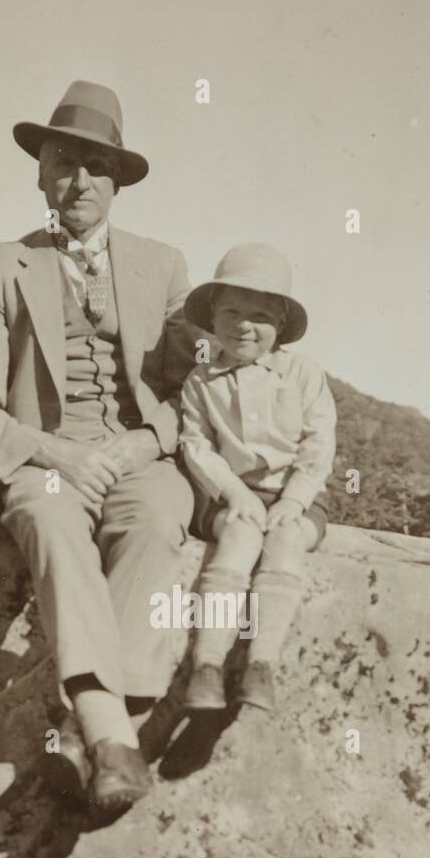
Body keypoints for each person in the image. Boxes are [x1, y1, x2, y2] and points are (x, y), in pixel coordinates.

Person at [0, 81, 197, 811]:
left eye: (96, 166)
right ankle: (110, 733)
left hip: (139, 456)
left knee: (154, 522)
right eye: (63, 162)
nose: (79, 181)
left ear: (118, 182)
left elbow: (194, 393)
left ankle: (79, 728)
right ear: (40, 173)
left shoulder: (165, 267)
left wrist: (147, 442)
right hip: (45, 457)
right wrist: (59, 457)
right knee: (52, 518)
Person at [180, 244, 337, 712]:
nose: (243, 325)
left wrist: (294, 500)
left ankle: (261, 664)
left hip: (294, 495)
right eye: (230, 311)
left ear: (282, 323)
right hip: (230, 495)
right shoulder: (201, 381)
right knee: (239, 537)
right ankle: (207, 664)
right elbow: (197, 446)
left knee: (286, 541)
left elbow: (318, 442)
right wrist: (230, 491)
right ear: (212, 315)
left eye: (260, 315)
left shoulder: (304, 375)